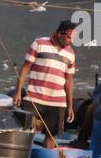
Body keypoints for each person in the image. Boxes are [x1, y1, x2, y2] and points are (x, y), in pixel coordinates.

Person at [14, 19, 77, 149]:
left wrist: (70, 106)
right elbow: (25, 68)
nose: (70, 41)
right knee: (24, 132)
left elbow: (69, 80)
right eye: (69, 37)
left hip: (57, 102)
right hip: (34, 97)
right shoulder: (39, 43)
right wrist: (18, 92)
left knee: (51, 135)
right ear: (60, 34)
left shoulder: (70, 53)